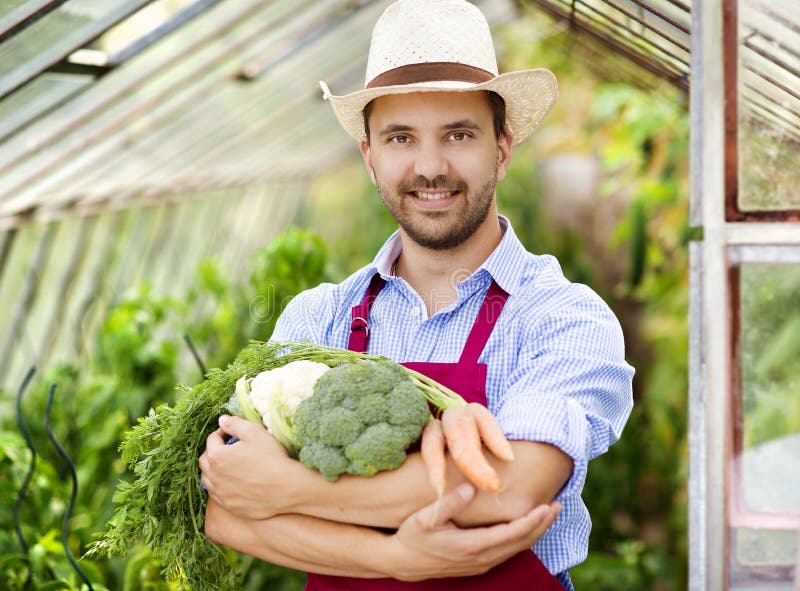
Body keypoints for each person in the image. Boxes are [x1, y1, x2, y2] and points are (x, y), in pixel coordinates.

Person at [199, 1, 634, 589]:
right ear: (369, 156)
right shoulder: (318, 318)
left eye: (459, 134)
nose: (430, 166)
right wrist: (395, 560)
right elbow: (225, 511)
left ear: (501, 150)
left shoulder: (562, 317)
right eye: (401, 137)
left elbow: (515, 486)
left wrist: (294, 489)